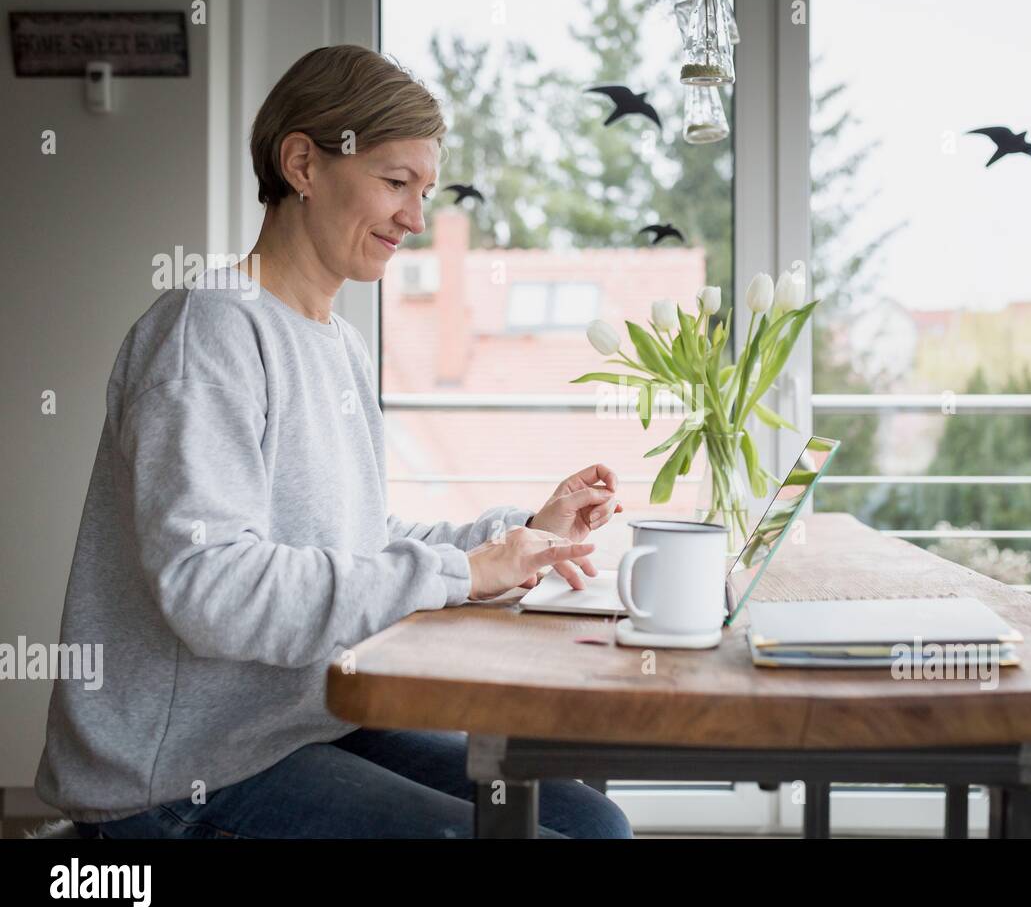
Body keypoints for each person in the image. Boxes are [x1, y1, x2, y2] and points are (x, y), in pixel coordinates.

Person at [35, 44, 633, 839]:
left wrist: (517, 538)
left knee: (594, 826)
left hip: (304, 724)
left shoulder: (335, 342)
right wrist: (464, 572)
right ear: (303, 165)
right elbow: (212, 590)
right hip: (182, 774)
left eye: (424, 191)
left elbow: (354, 543)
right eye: (395, 183)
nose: (415, 219)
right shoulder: (208, 331)